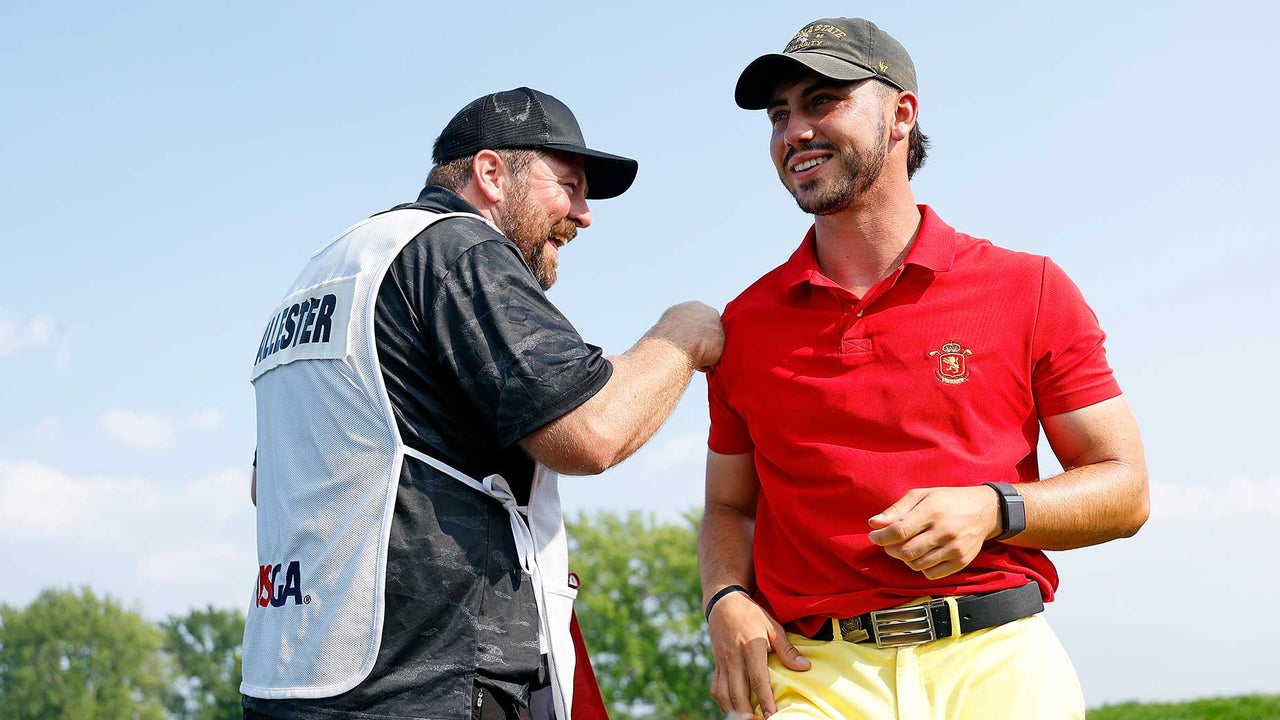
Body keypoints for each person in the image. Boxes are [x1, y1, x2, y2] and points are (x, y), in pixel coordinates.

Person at [698, 18, 1149, 720]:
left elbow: (1125, 489)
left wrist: (995, 508)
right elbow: (731, 506)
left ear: (902, 113)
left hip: (996, 659)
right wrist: (725, 599)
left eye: (822, 101)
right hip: (810, 675)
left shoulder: (1027, 287)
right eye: (779, 115)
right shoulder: (745, 325)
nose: (793, 132)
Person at [242, 86, 724, 720]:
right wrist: (683, 334)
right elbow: (590, 430)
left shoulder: (334, 270)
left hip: (292, 676)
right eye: (569, 184)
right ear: (492, 173)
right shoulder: (458, 248)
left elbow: (265, 482)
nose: (584, 214)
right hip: (427, 679)